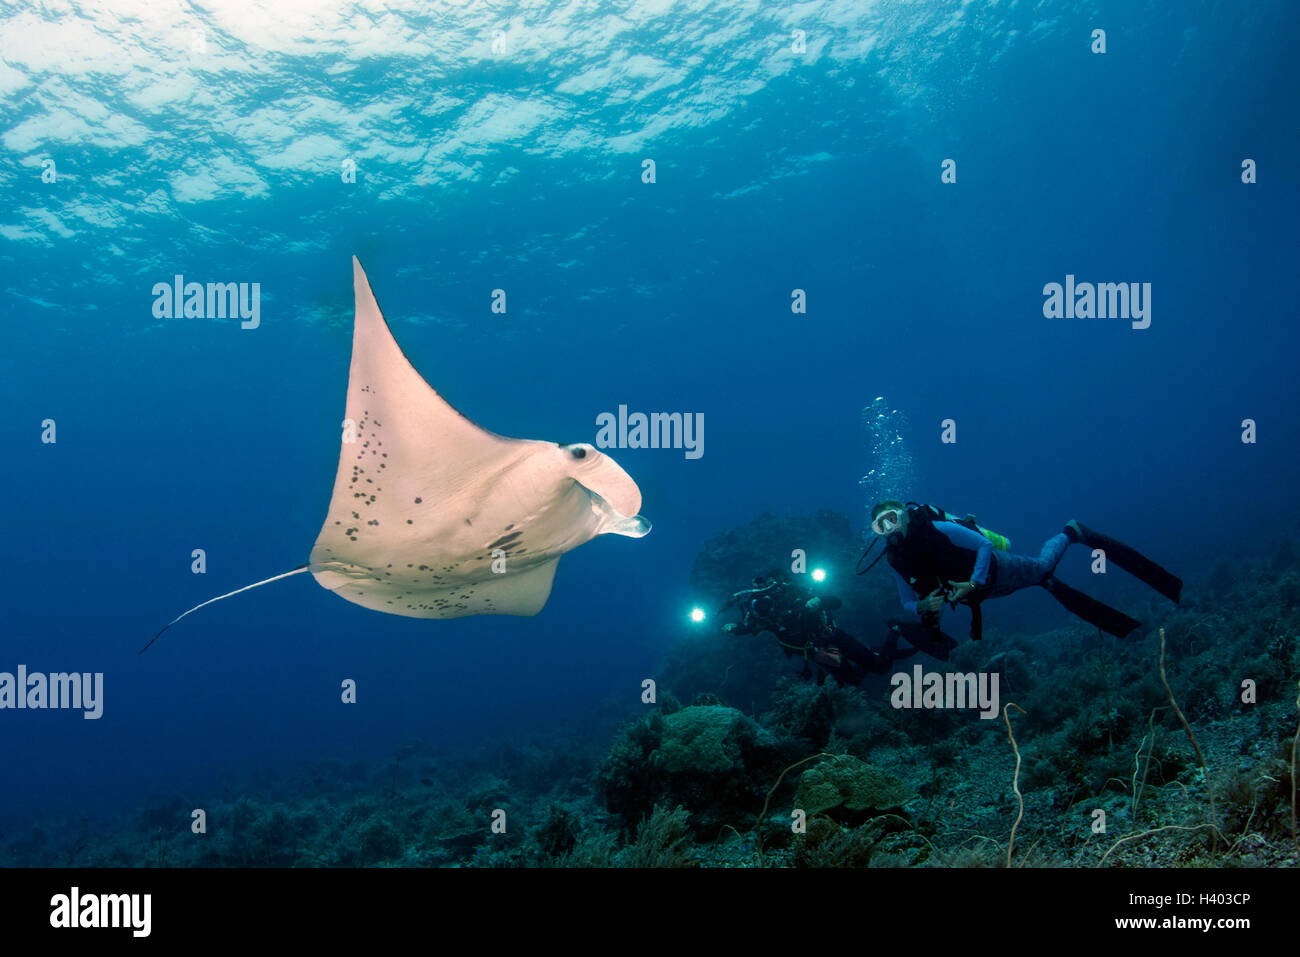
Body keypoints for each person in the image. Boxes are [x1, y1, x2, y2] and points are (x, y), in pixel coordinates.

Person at [867, 501, 1182, 639]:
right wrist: (922, 605)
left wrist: (973, 584)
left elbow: (983, 545)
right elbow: (906, 600)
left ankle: (1073, 532)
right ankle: (1046, 582)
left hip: (998, 572)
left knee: (1043, 568)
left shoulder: (936, 529)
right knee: (1041, 579)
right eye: (881, 525)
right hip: (984, 595)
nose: (888, 528)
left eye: (892, 518)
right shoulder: (895, 559)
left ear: (906, 516)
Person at [717, 572, 940, 684]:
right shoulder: (763, 617)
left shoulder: (797, 597)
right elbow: (747, 627)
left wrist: (820, 601)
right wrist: (732, 628)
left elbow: (836, 602)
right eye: (760, 603)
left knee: (880, 668)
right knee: (853, 679)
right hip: (817, 652)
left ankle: (895, 629)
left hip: (833, 636)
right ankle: (872, 650)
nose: (765, 606)